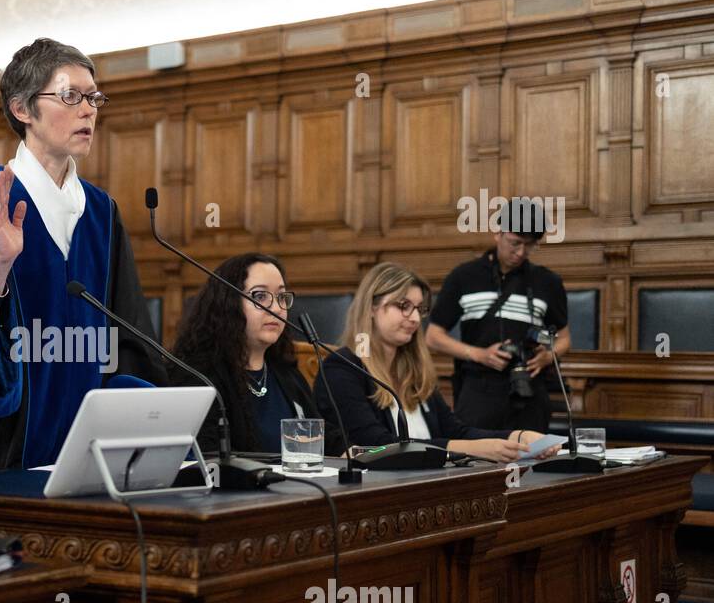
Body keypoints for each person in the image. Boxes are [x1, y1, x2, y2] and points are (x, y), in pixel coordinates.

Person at [0, 38, 166, 473]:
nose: (89, 110)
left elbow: (128, 334)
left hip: (90, 445)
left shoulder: (102, 212)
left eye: (94, 98)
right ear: (22, 109)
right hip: (4, 440)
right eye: (71, 96)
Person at [315, 261, 560, 462]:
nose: (414, 318)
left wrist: (518, 436)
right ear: (371, 307)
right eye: (403, 306)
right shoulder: (343, 368)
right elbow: (377, 446)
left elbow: (455, 431)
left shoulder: (415, 371)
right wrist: (472, 449)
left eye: (419, 309)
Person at [425, 197, 570, 431]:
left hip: (529, 390)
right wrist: (479, 354)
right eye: (515, 242)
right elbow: (433, 336)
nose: (521, 252)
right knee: (473, 462)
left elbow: (564, 339)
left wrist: (548, 356)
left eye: (530, 245)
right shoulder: (464, 277)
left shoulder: (547, 281)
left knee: (533, 461)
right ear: (498, 233)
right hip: (477, 391)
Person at [171, 252, 334, 455]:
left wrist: (351, 454)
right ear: (227, 303)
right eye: (260, 296)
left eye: (281, 296)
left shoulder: (285, 372)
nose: (276, 308)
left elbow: (323, 440)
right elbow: (209, 456)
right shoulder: (197, 376)